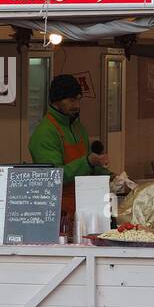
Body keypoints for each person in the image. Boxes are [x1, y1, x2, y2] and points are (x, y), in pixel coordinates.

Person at [28, 74, 111, 214]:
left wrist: (111, 177)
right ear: (56, 101)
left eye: (79, 100)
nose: (77, 106)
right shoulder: (44, 133)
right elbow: (54, 177)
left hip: (84, 206)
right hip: (59, 211)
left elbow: (91, 166)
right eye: (71, 101)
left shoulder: (78, 127)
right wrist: (88, 162)